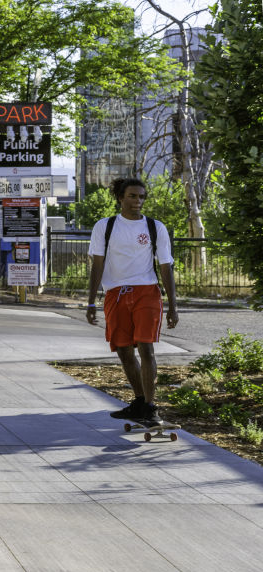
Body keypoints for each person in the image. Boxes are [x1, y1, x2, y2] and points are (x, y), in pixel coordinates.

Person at [86, 177, 179, 425]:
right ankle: (139, 401)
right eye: (132, 196)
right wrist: (91, 301)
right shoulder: (104, 226)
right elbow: (97, 265)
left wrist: (173, 305)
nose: (138, 201)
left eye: (141, 197)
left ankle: (150, 406)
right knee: (124, 350)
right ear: (120, 198)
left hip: (146, 292)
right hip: (115, 293)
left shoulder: (154, 227)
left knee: (145, 347)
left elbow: (166, 266)